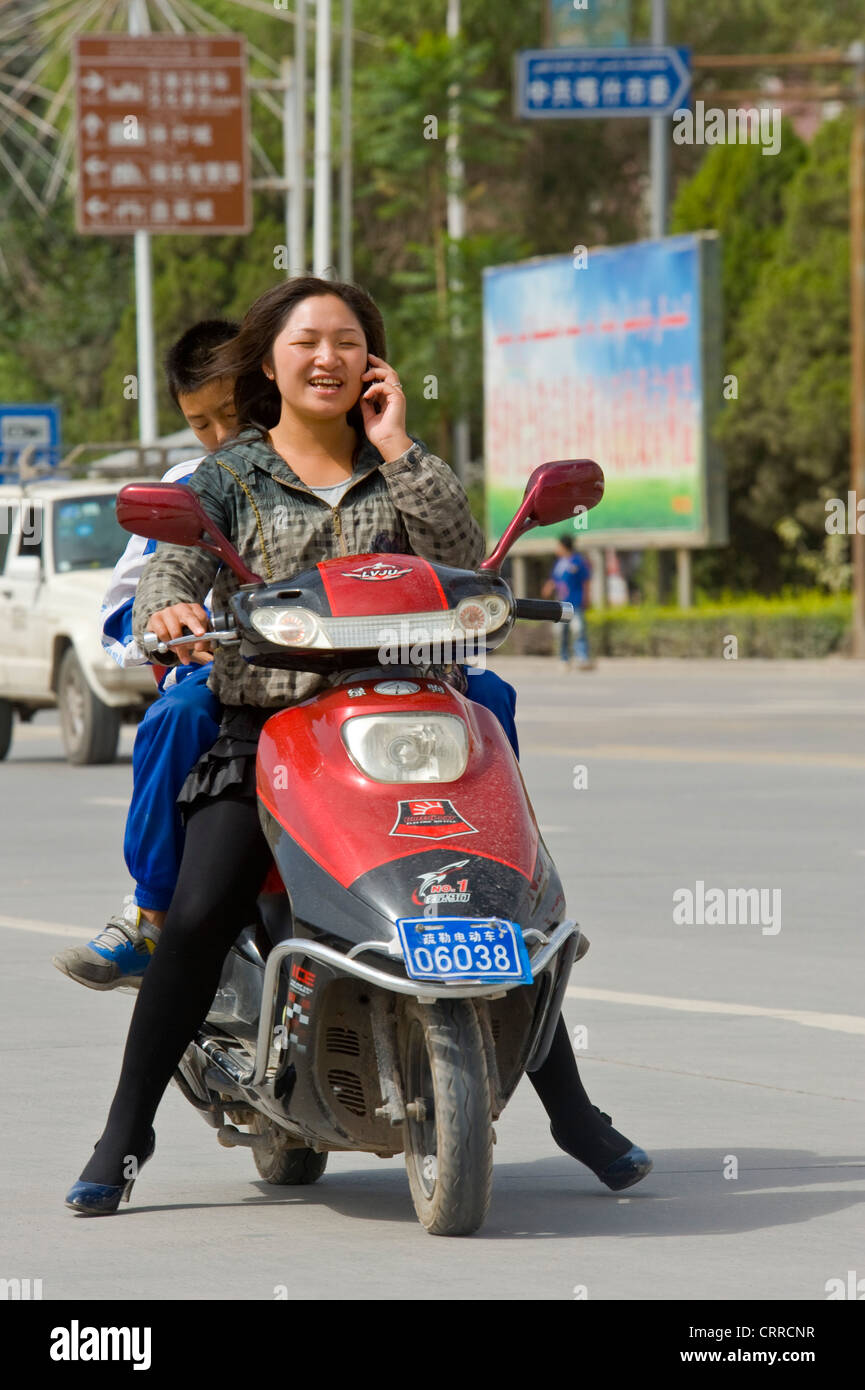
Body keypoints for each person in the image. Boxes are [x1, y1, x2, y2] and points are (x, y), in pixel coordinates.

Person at [65, 276, 650, 1214]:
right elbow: (178, 557)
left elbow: (467, 552)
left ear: (373, 362)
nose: (327, 359)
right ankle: (124, 1130)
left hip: (406, 721)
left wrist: (397, 444)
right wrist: (171, 603)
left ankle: (573, 1112)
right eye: (306, 343)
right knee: (202, 908)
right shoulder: (231, 474)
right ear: (269, 361)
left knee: (490, 906)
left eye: (347, 341)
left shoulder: (399, 465)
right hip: (270, 731)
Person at [52, 320, 240, 989]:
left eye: (234, 415)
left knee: (483, 698)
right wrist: (169, 622)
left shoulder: (369, 461)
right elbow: (132, 598)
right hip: (239, 673)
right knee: (180, 712)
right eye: (202, 423)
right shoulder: (193, 483)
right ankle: (151, 911)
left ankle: (504, 888)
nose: (221, 438)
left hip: (347, 674)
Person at [544, 533, 594, 670]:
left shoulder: (578, 561)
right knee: (561, 632)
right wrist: (548, 587)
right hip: (561, 604)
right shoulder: (559, 563)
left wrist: (587, 597)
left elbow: (586, 580)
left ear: (564, 546)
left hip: (575, 602)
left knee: (579, 630)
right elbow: (554, 579)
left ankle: (582, 658)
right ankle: (564, 659)